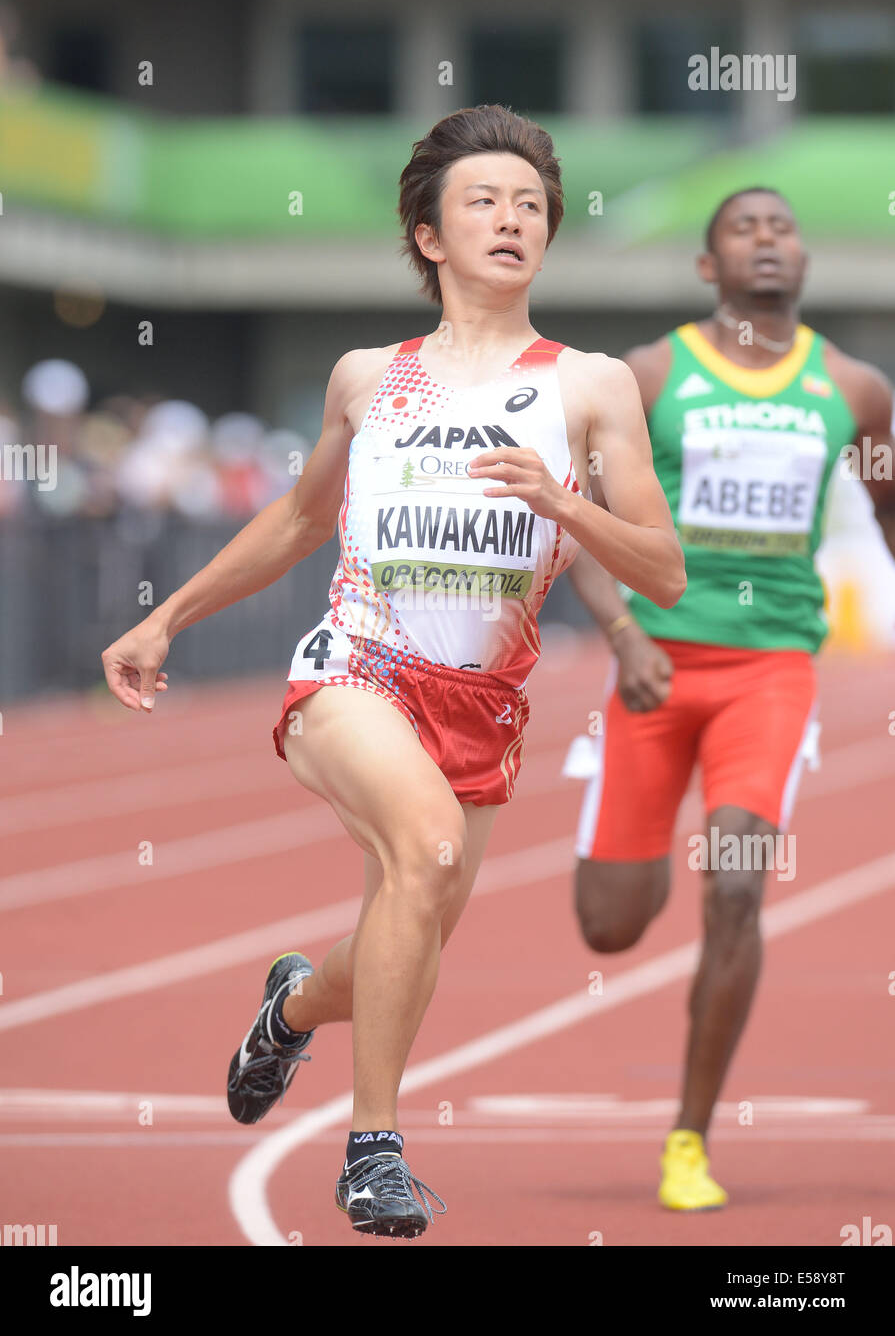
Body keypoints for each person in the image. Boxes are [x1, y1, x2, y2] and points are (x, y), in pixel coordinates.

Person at [101, 104, 685, 1239]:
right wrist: (164, 616)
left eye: (529, 205)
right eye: (484, 201)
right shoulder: (369, 377)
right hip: (355, 671)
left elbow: (660, 567)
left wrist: (566, 505)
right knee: (421, 851)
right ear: (429, 234)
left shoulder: (590, 386)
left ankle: (287, 1010)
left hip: (483, 705)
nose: (511, 219)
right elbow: (295, 521)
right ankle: (374, 1151)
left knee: (396, 933)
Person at [570, 187, 895, 1212]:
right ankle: (643, 841)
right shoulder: (648, 375)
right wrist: (621, 633)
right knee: (609, 926)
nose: (767, 238)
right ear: (707, 267)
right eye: (742, 229)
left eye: (783, 227)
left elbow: (888, 514)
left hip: (770, 673)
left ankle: (687, 1140)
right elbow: (574, 521)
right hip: (655, 665)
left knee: (739, 885)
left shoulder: (856, 389)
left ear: (803, 258)